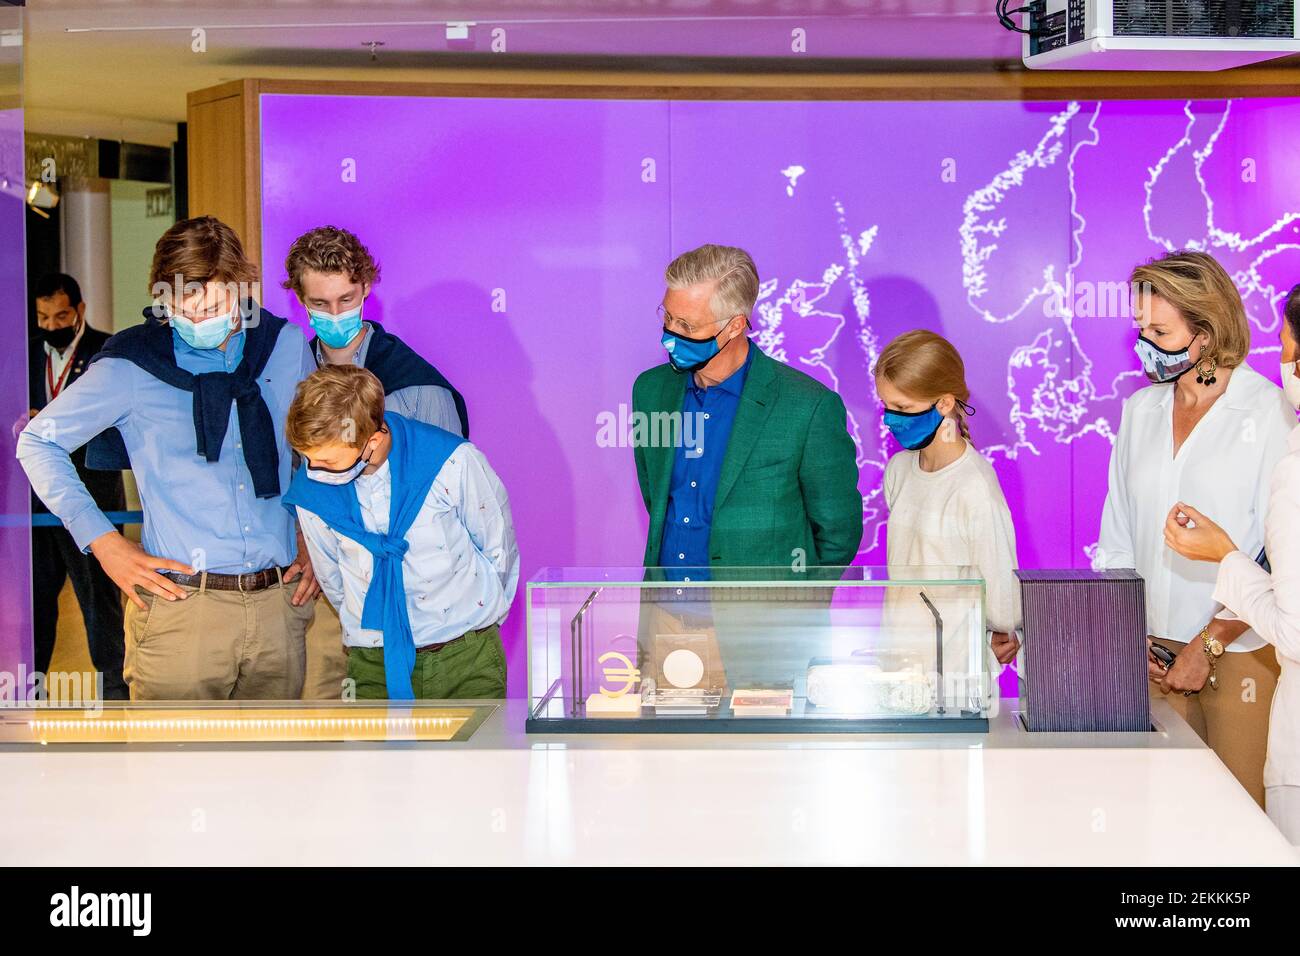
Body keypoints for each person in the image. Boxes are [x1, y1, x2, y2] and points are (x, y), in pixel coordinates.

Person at [16, 216, 320, 700]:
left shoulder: (284, 346)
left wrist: (313, 537)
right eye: (181, 311)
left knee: (273, 752)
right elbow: (37, 442)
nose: (197, 323)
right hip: (181, 608)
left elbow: (310, 451)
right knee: (171, 753)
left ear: (243, 286)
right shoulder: (132, 364)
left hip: (278, 607)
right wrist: (104, 543)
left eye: (212, 308)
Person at [1098, 250, 1293, 806]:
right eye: (1141, 329)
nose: (1145, 343)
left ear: (1204, 335)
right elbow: (1117, 535)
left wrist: (1207, 644)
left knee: (1241, 824)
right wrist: (1125, 634)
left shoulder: (1269, 412)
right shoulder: (1140, 411)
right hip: (1149, 658)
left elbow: (1277, 555)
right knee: (1156, 822)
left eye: (1160, 332)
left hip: (1240, 655)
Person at [282, 225, 470, 699]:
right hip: (320, 595)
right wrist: (307, 544)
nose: (335, 314)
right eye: (320, 303)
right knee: (331, 727)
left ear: (366, 288)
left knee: (423, 729)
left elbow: (453, 501)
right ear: (300, 300)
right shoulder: (284, 380)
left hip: (410, 597)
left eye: (346, 299)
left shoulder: (418, 389)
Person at [281, 365, 518, 700]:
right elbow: (331, 575)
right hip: (373, 660)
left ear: (373, 442)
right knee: (376, 738)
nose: (315, 472)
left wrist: (482, 620)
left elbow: (498, 545)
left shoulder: (451, 463)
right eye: (308, 459)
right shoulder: (313, 493)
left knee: (478, 738)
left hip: (467, 654)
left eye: (330, 463)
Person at [1162, 282, 1300, 844]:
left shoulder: (1277, 436)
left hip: (1249, 665)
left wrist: (1223, 556)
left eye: (1285, 345)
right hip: (1163, 654)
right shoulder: (1141, 412)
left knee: (1246, 841)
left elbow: (1292, 624)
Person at [633, 243, 862, 573]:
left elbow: (837, 535)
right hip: (665, 601)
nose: (669, 336)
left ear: (735, 325)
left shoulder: (808, 407)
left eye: (687, 325)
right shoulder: (650, 391)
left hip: (760, 607)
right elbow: (656, 496)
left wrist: (795, 598)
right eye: (667, 317)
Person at [875, 329, 1022, 682]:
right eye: (886, 405)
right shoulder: (898, 470)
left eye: (903, 408)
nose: (890, 419)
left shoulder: (975, 488)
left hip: (953, 683)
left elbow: (1005, 607)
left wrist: (985, 648)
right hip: (895, 671)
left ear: (943, 403)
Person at [26, 273, 127, 698]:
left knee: (98, 598)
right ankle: (28, 693)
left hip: (94, 495)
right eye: (43, 318)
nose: (52, 325)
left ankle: (115, 693)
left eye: (61, 316)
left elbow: (119, 421)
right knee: (34, 601)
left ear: (80, 310)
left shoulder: (108, 351)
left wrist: (60, 425)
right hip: (34, 500)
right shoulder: (23, 353)